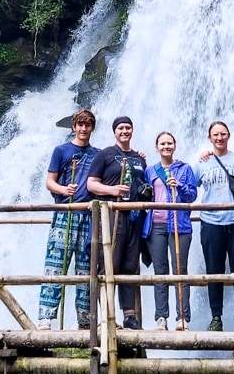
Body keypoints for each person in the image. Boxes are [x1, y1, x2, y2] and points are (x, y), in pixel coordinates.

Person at [37, 109, 99, 330]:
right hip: (66, 212)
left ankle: (85, 321)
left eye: (87, 125)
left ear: (92, 127)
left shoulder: (98, 155)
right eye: (80, 125)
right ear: (74, 126)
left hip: (88, 216)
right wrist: (64, 189)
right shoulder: (61, 151)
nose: (83, 129)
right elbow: (50, 182)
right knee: (56, 265)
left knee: (86, 268)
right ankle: (46, 318)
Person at [87, 116, 150, 329]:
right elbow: (91, 184)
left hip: (134, 216)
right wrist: (112, 190)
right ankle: (106, 315)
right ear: (115, 131)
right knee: (109, 263)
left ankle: (129, 315)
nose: (124, 131)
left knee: (130, 265)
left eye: (128, 127)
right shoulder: (105, 154)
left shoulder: (139, 158)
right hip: (113, 214)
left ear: (132, 131)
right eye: (121, 128)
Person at [193, 121, 234, 332]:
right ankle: (216, 317)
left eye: (223, 134)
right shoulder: (201, 162)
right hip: (211, 222)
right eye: (215, 135)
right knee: (214, 271)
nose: (219, 138)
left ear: (229, 135)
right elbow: (191, 191)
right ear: (209, 138)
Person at [144, 132, 198, 331]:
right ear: (156, 147)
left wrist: (180, 185)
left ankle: (183, 317)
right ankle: (161, 317)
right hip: (155, 225)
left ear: (174, 146)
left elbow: (192, 195)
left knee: (180, 271)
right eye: (162, 143)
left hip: (179, 225)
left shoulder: (185, 169)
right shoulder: (150, 170)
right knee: (160, 273)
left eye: (169, 143)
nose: (166, 146)